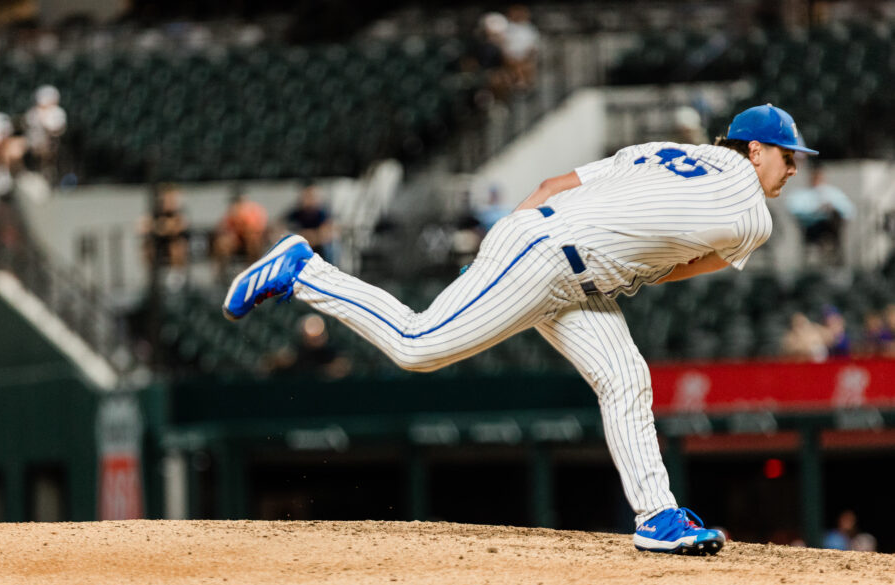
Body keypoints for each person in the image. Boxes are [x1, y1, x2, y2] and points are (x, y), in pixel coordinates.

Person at [222, 103, 818, 556]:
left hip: (549, 251)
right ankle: (306, 271)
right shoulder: (752, 214)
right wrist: (513, 262)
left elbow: (553, 187)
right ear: (757, 149)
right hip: (552, 261)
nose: (793, 169)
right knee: (418, 346)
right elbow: (683, 270)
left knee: (625, 378)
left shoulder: (660, 149)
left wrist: (500, 245)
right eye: (788, 156)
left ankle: (657, 518)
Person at [784, 165, 855, 265]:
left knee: (834, 216)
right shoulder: (802, 194)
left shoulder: (832, 193)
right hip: (812, 228)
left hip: (831, 226)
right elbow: (794, 210)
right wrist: (816, 211)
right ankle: (825, 245)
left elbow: (849, 211)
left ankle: (834, 252)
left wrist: (831, 207)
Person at [140, 184, 190, 290]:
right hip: (159, 244)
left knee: (177, 247)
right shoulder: (155, 212)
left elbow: (178, 227)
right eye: (167, 198)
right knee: (147, 248)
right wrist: (164, 227)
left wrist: (160, 226)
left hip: (175, 244)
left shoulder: (179, 212)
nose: (170, 202)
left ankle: (177, 277)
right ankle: (152, 278)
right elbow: (142, 226)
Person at [212, 189, 268, 278]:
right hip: (237, 243)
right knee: (222, 243)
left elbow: (254, 230)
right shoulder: (230, 213)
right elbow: (223, 229)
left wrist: (241, 219)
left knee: (253, 241)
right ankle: (221, 275)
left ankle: (254, 272)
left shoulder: (253, 210)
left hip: (252, 242)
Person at [23, 85, 67, 183]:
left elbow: (56, 130)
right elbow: (27, 125)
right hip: (32, 142)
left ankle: (47, 172)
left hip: (50, 143)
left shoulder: (57, 113)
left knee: (47, 146)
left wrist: (43, 119)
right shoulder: (33, 112)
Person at [283, 183, 335, 261]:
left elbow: (326, 235)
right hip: (301, 248)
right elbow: (280, 227)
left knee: (329, 246)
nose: (310, 200)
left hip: (319, 251)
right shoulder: (296, 213)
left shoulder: (323, 213)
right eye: (307, 196)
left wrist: (306, 236)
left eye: (312, 196)